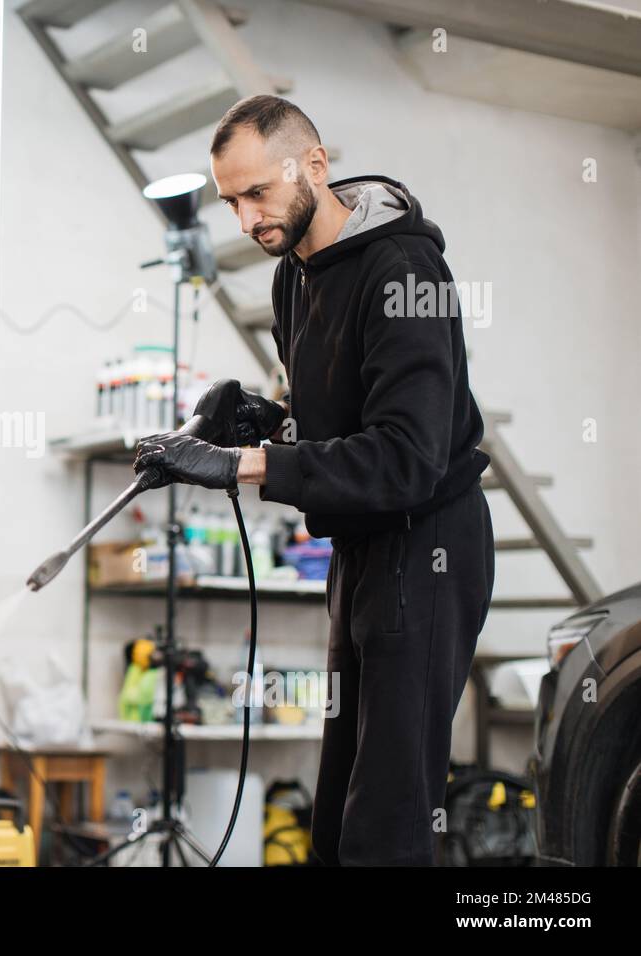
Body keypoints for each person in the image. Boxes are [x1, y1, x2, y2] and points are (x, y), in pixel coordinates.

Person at [132, 95, 495, 866]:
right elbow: (336, 420)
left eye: (257, 193)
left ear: (315, 166)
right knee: (335, 814)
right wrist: (265, 420)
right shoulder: (293, 278)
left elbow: (407, 453)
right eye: (230, 200)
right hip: (360, 550)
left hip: (428, 549)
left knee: (388, 822)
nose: (244, 220)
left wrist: (245, 464)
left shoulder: (405, 269)